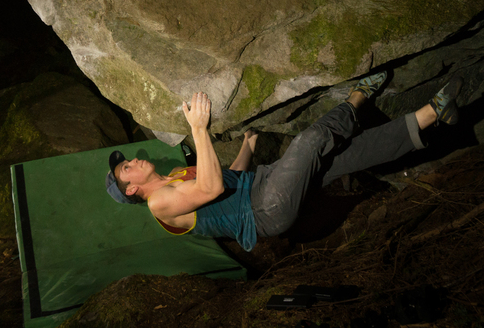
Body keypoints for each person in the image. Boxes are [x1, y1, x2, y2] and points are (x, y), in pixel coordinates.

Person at [104, 72, 463, 251]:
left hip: (261, 183)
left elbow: (227, 178)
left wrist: (248, 145)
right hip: (265, 209)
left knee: (346, 156)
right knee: (310, 141)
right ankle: (357, 100)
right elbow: (211, 188)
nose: (133, 161)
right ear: (132, 188)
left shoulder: (175, 176)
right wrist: (198, 128)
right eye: (126, 169)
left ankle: (433, 114)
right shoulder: (159, 204)